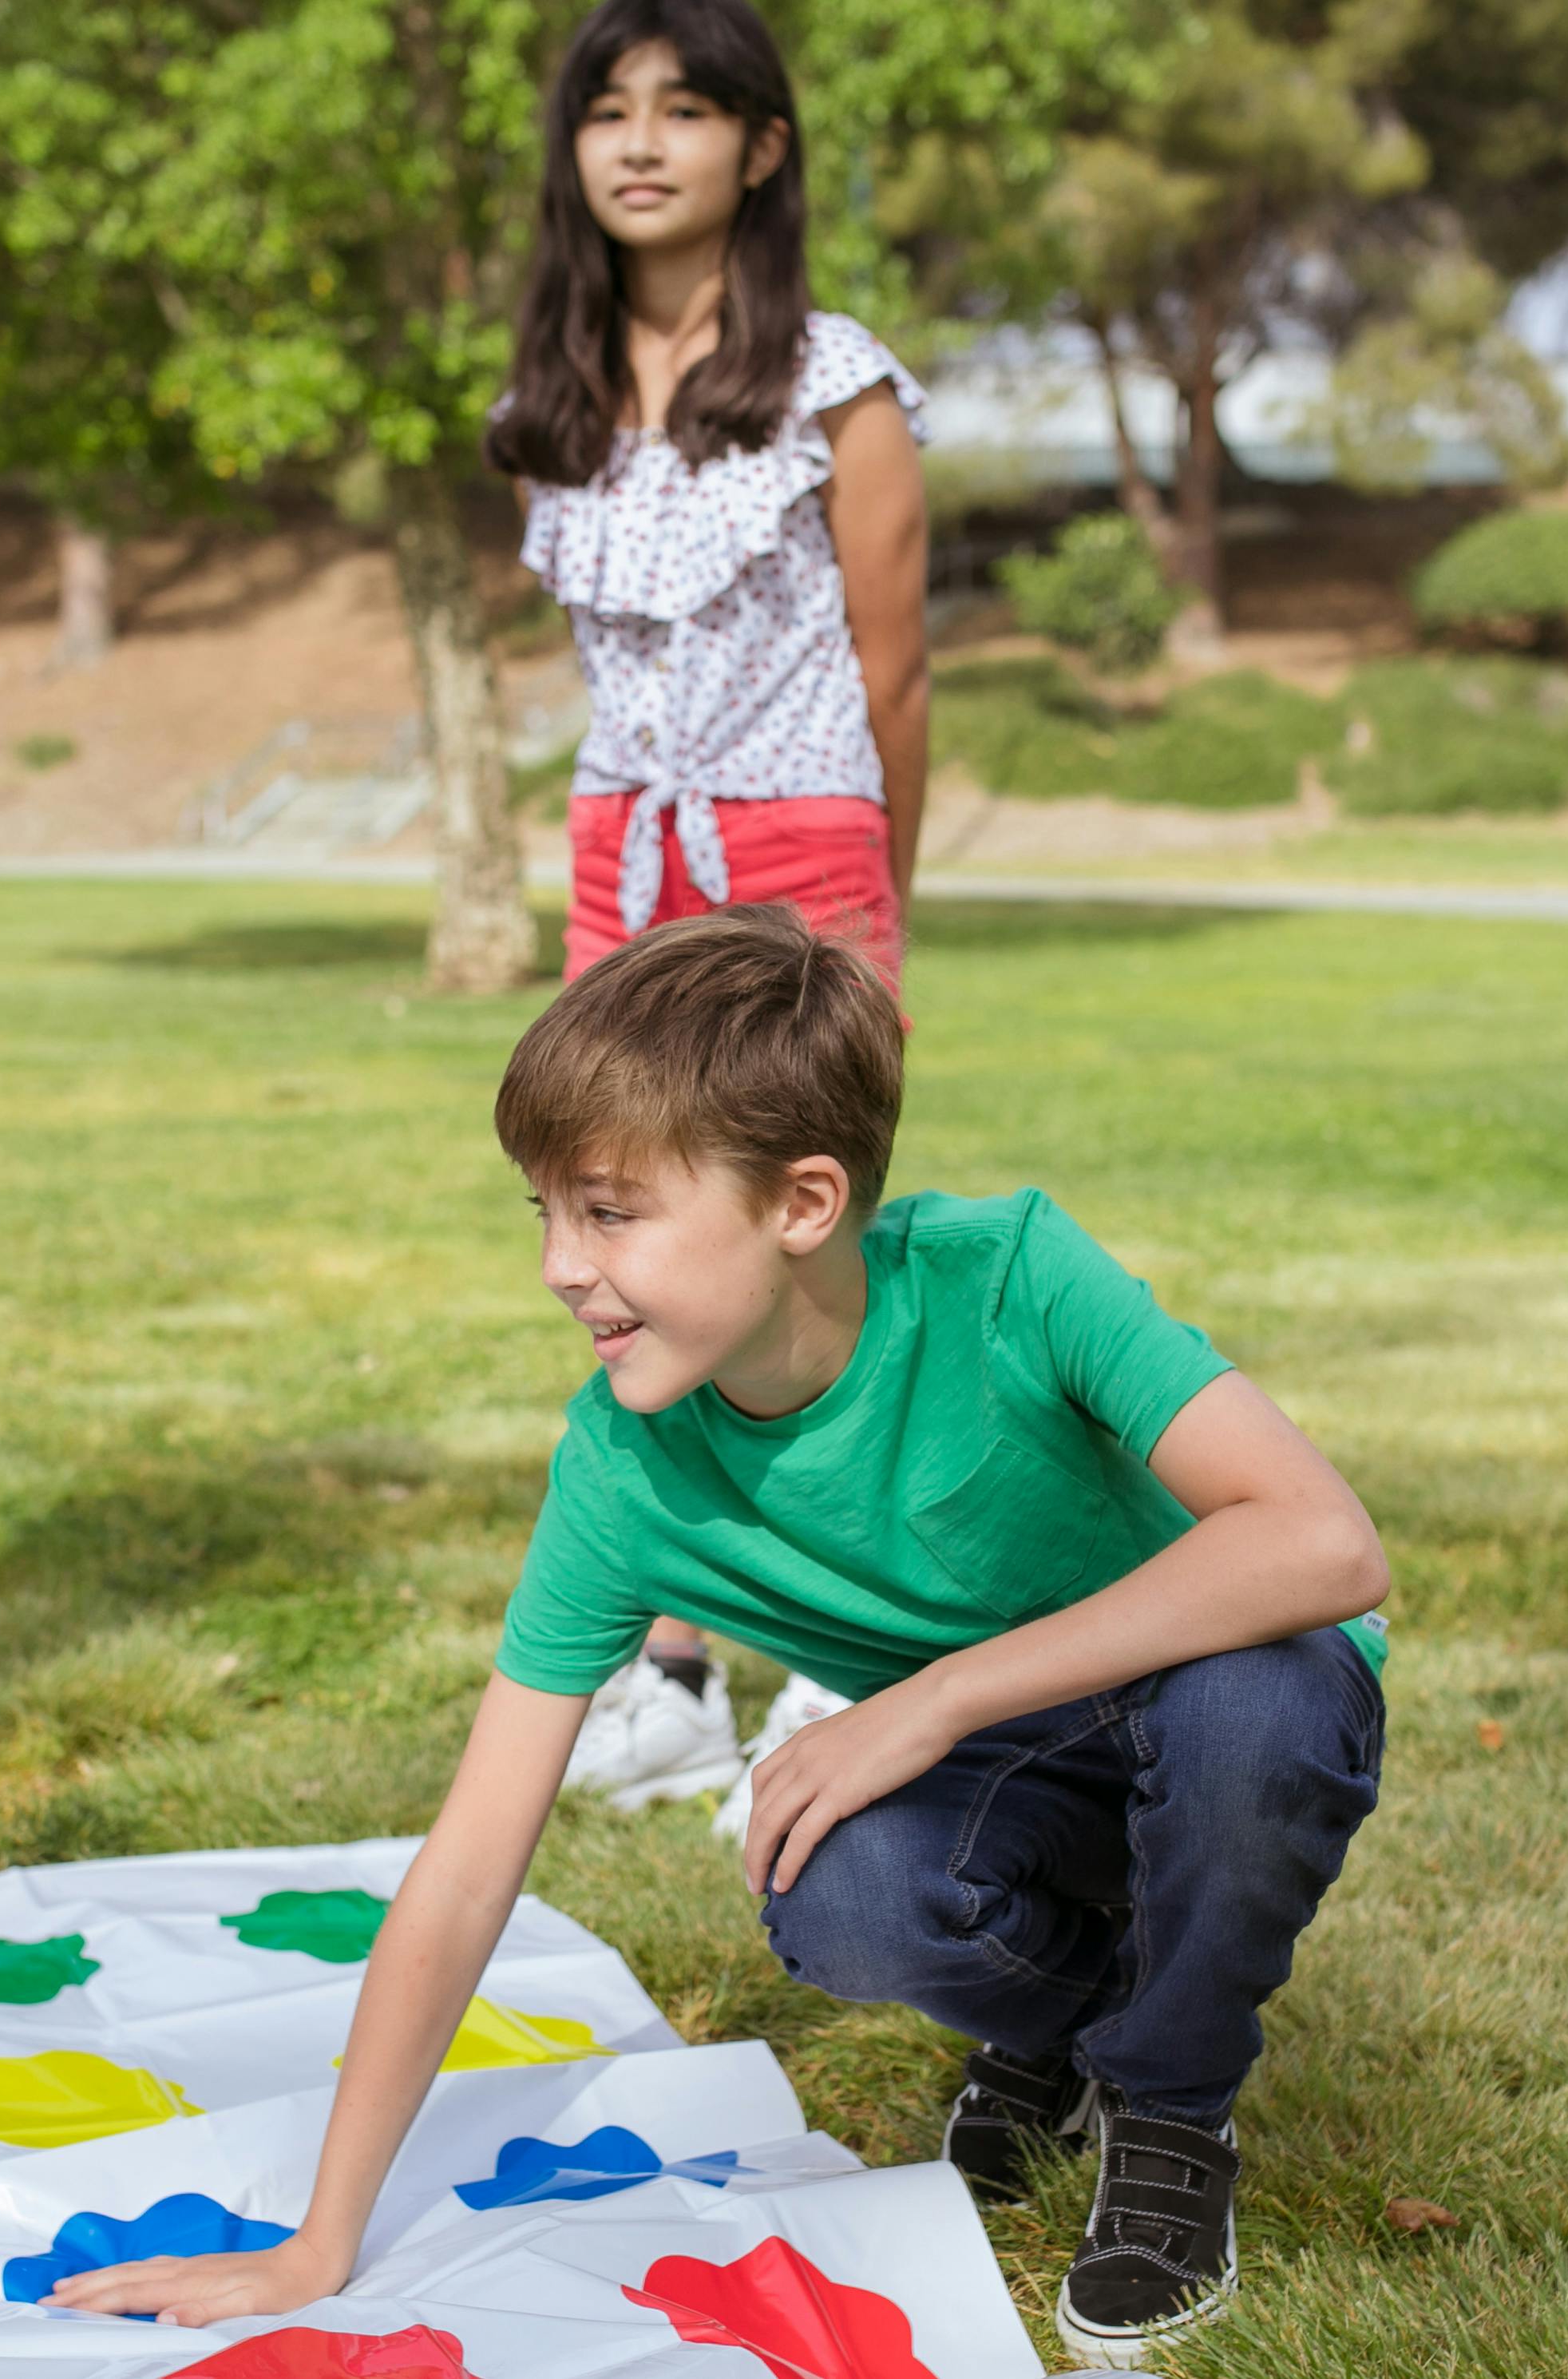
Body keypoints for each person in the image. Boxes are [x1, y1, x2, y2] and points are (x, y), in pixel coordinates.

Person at [48, 906, 1392, 2366]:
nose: (561, 1266)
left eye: (611, 1212)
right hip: (1018, 1782)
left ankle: (1172, 2112)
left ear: (802, 1203)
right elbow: (469, 1863)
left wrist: (931, 1699)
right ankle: (1068, 2035)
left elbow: (1322, 1543)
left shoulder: (1009, 1276)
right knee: (840, 1888)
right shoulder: (618, 1471)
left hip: (1211, 1699)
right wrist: (320, 2240)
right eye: (545, 1213)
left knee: (1263, 1703)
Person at [486, 0, 931, 1817]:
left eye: (688, 107)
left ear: (763, 144)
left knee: (802, 1240)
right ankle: (674, 1657)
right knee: (639, 1248)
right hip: (626, 847)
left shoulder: (840, 384)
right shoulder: (561, 401)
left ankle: (848, 1636)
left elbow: (897, 676)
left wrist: (882, 899)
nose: (643, 141)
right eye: (608, 111)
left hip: (808, 838)